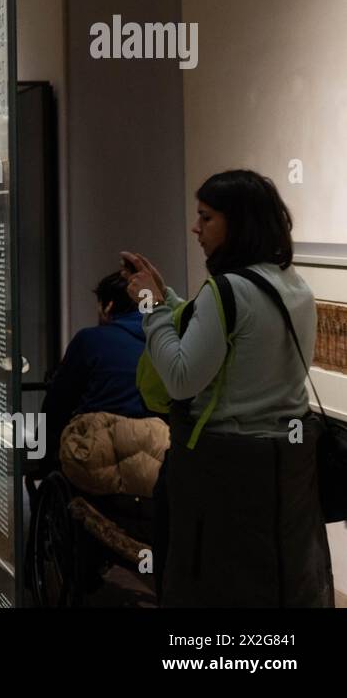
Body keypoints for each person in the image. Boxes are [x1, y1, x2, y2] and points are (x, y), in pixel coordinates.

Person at [123, 168, 330, 607]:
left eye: (207, 217)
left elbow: (181, 379)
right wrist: (170, 299)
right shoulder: (295, 285)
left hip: (223, 467)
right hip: (287, 463)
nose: (196, 228)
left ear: (239, 222)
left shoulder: (227, 289)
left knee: (209, 582)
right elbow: (222, 334)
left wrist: (152, 307)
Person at [41, 270, 153, 470]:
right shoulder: (162, 341)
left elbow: (58, 403)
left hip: (97, 458)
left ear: (108, 305)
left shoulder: (89, 340)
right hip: (154, 459)